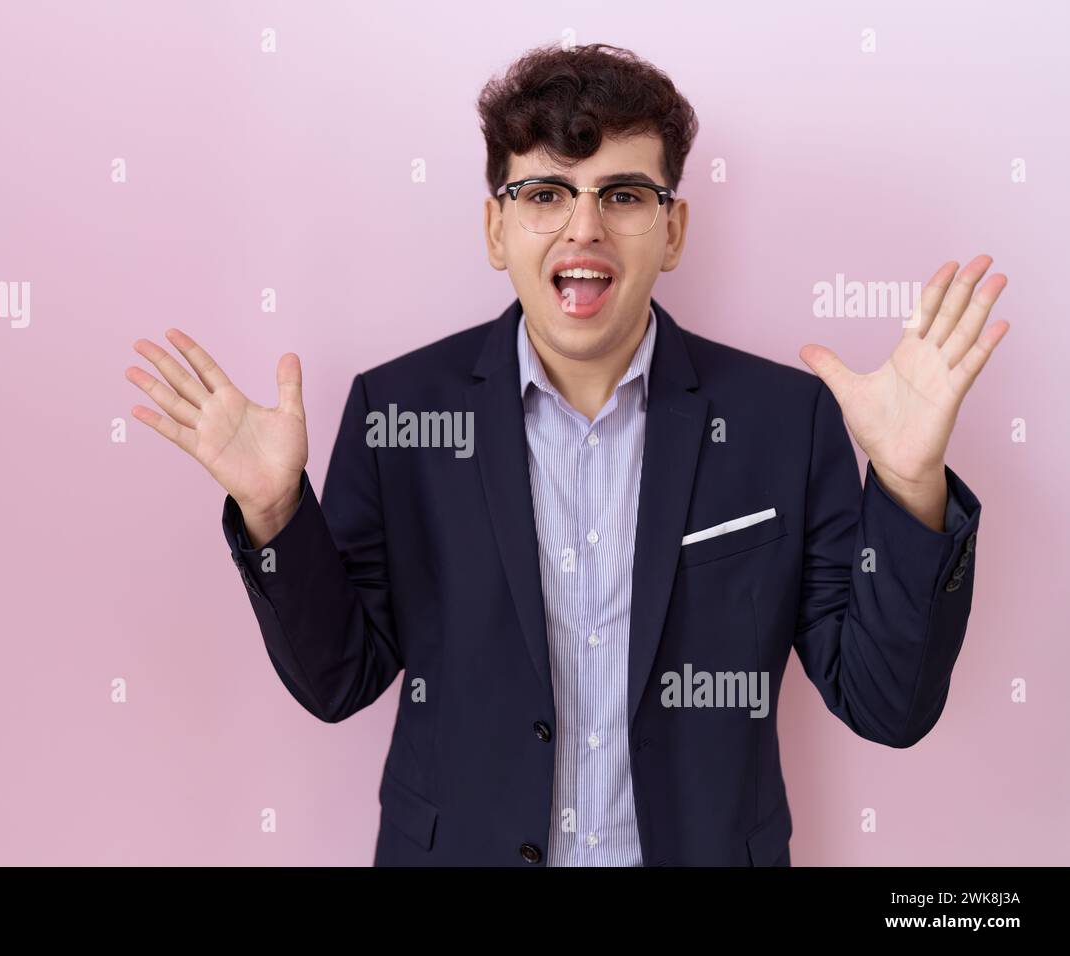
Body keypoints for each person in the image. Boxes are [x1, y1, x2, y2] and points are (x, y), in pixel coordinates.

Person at [125, 43, 1008, 866]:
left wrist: (908, 483)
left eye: (623, 194)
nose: (583, 227)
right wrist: (278, 514)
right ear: (495, 229)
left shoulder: (786, 420)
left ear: (672, 230)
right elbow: (339, 680)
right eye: (546, 193)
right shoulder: (398, 413)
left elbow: (887, 704)